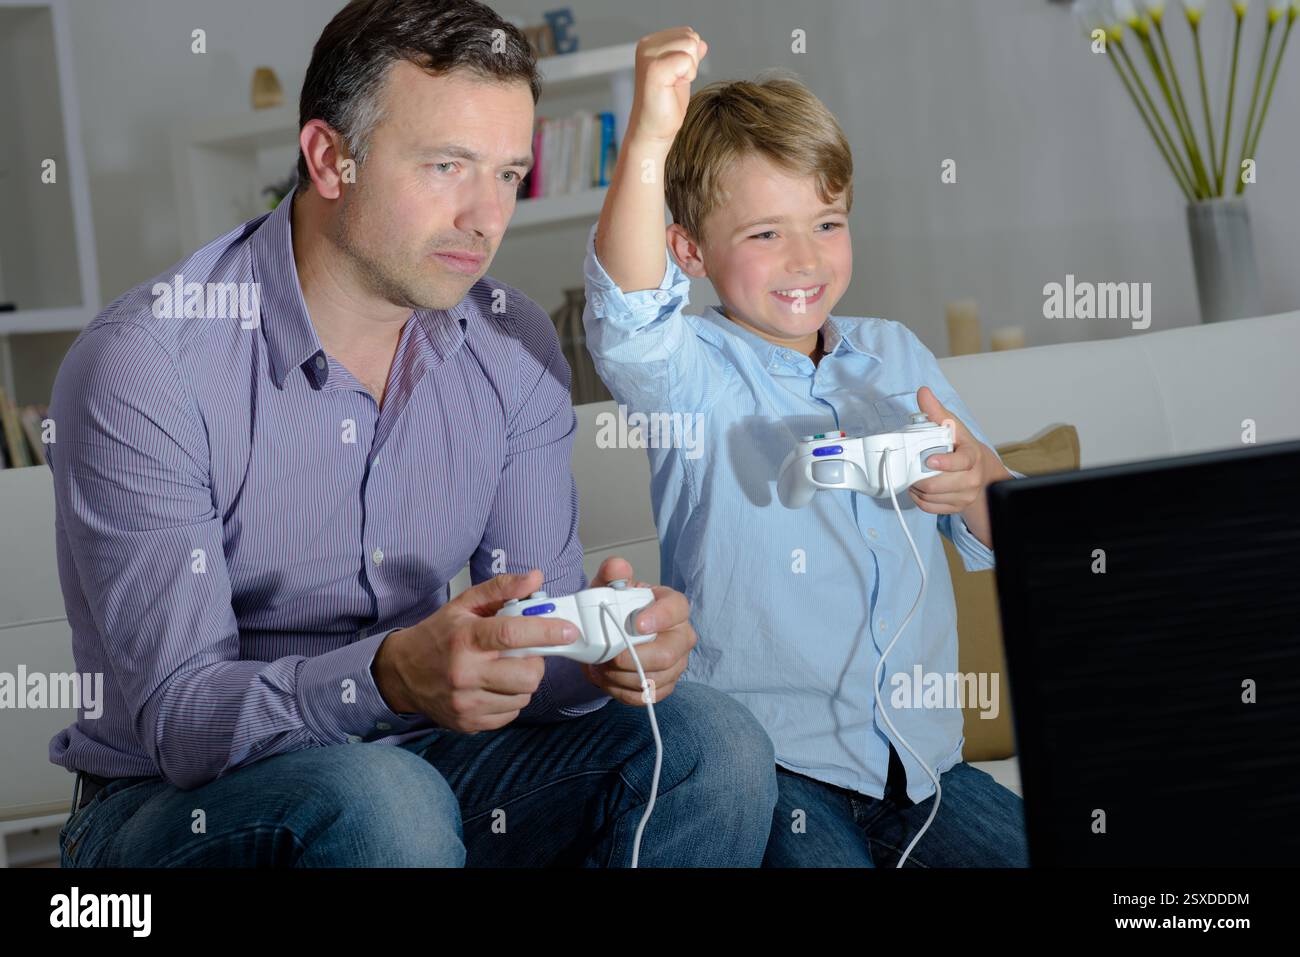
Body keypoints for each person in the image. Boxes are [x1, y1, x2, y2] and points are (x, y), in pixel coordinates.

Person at [48, 0, 776, 868]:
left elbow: (530, 638)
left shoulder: (511, 345)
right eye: (446, 166)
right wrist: (389, 674)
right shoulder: (148, 365)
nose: (484, 216)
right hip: (174, 803)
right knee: (385, 801)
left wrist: (607, 646)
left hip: (425, 763)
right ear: (329, 159)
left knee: (708, 740)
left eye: (509, 174)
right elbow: (182, 721)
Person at [582, 26, 1028, 867]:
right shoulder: (693, 374)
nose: (805, 258)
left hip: (926, 769)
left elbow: (1019, 527)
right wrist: (648, 135)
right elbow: (628, 317)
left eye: (827, 222)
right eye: (763, 234)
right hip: (782, 768)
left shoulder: (896, 355)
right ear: (690, 251)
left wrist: (972, 481)